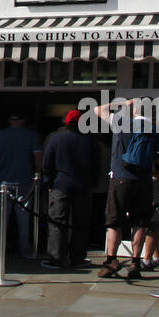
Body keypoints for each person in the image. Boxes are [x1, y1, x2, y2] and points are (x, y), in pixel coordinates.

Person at [95, 98, 159, 279]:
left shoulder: (121, 123)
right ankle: (135, 262)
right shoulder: (158, 130)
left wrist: (124, 103)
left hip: (120, 178)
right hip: (145, 180)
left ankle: (111, 260)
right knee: (141, 222)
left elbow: (98, 109)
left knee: (114, 222)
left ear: (135, 111)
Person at [42, 109, 97, 270]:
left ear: (66, 123)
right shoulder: (91, 141)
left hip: (61, 185)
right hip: (84, 186)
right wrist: (92, 183)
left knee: (57, 222)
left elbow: (47, 163)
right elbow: (96, 165)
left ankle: (56, 258)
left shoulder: (56, 139)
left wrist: (48, 182)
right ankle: (78, 257)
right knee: (81, 223)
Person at [0, 113, 44, 260]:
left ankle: (0, 246)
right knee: (23, 217)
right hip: (25, 181)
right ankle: (24, 247)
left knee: (3, 216)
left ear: (9, 120)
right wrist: (37, 173)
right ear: (23, 121)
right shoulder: (32, 135)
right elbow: (38, 158)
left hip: (4, 181)